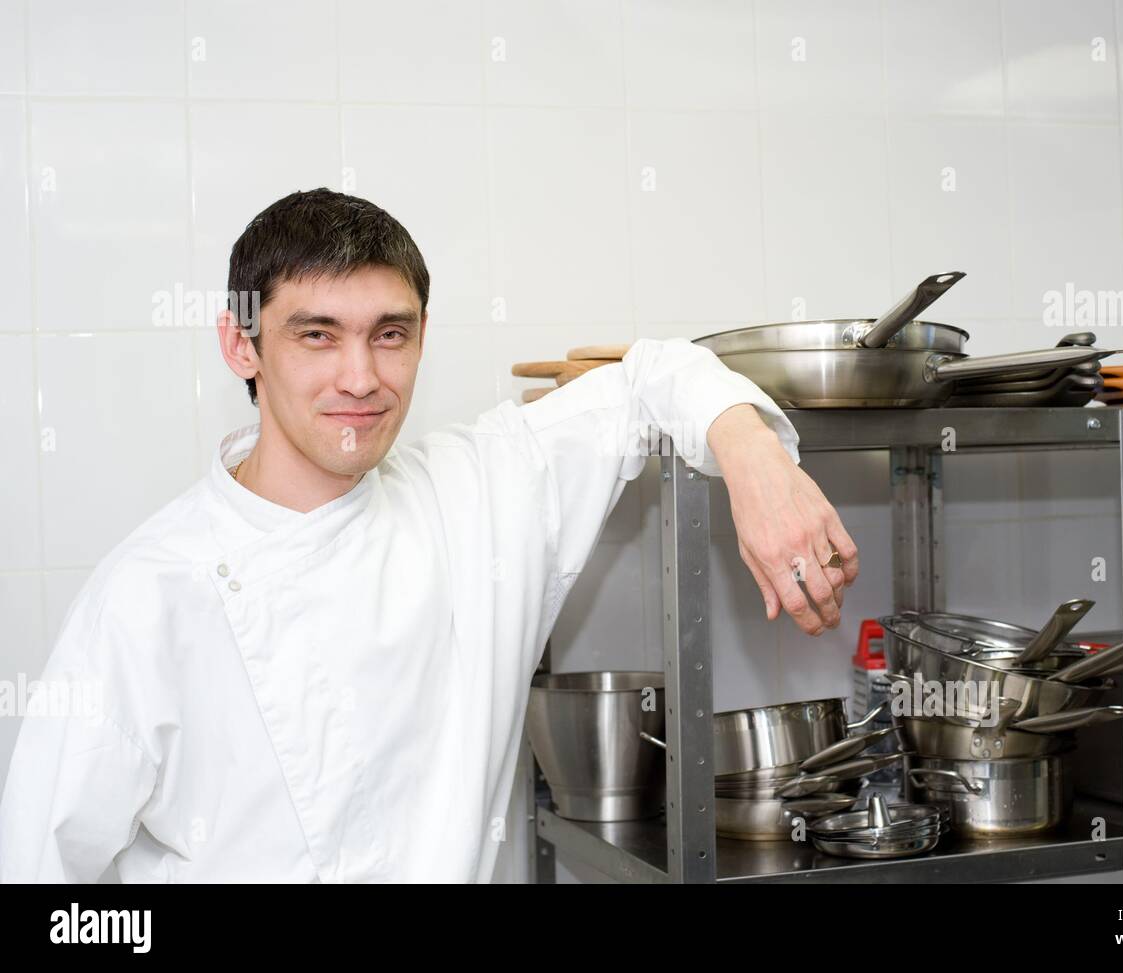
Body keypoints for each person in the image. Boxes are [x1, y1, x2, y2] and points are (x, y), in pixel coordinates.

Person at [0, 189, 858, 882]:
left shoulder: (475, 492)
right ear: (241, 343)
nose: (362, 377)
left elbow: (651, 377)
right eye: (316, 334)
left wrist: (756, 464)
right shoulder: (145, 593)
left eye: (391, 334)